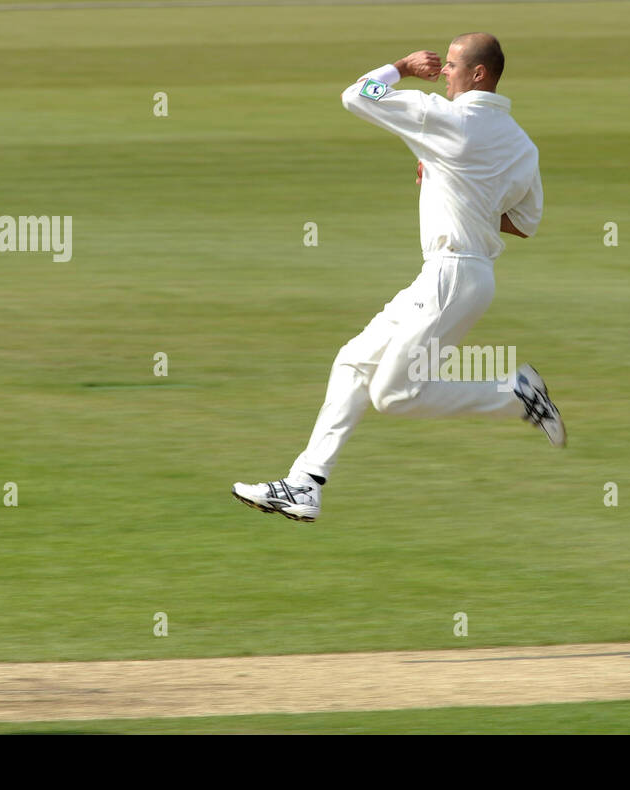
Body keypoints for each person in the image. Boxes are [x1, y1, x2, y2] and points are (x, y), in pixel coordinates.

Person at [233, 33, 565, 523]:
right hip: (460, 275)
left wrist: (402, 66)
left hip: (449, 279)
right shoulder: (521, 143)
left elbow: (358, 95)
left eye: (451, 65)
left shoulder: (445, 116)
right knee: (352, 362)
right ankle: (306, 483)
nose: (443, 72)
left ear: (478, 74)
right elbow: (523, 223)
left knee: (393, 395)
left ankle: (515, 395)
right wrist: (453, 184)